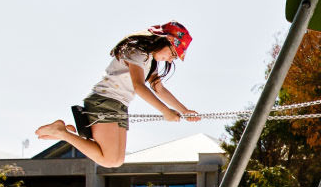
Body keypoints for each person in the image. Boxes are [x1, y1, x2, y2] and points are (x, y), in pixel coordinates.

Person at [35, 22, 200, 168]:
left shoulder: (150, 61)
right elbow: (138, 86)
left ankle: (68, 133)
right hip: (105, 101)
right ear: (166, 40)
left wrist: (184, 110)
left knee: (117, 161)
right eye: (173, 54)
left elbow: (159, 89)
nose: (170, 60)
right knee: (109, 160)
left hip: (119, 105)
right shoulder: (137, 51)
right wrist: (165, 111)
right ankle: (63, 133)